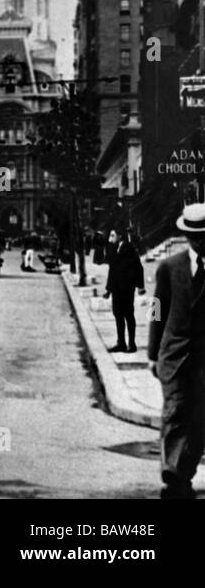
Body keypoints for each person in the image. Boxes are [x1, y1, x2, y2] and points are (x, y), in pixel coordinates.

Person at [147, 203, 205, 499]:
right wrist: (152, 352)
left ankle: (185, 472)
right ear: (186, 235)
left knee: (199, 418)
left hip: (203, 360)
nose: (200, 241)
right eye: (195, 236)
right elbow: (157, 311)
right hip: (174, 355)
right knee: (176, 411)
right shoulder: (170, 267)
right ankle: (172, 471)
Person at [105, 227, 146, 353]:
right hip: (117, 290)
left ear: (120, 236)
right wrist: (108, 290)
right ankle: (121, 343)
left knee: (128, 315)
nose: (110, 238)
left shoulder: (129, 249)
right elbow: (112, 271)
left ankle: (132, 344)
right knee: (118, 316)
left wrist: (140, 286)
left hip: (127, 289)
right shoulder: (114, 249)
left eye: (112, 235)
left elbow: (138, 268)